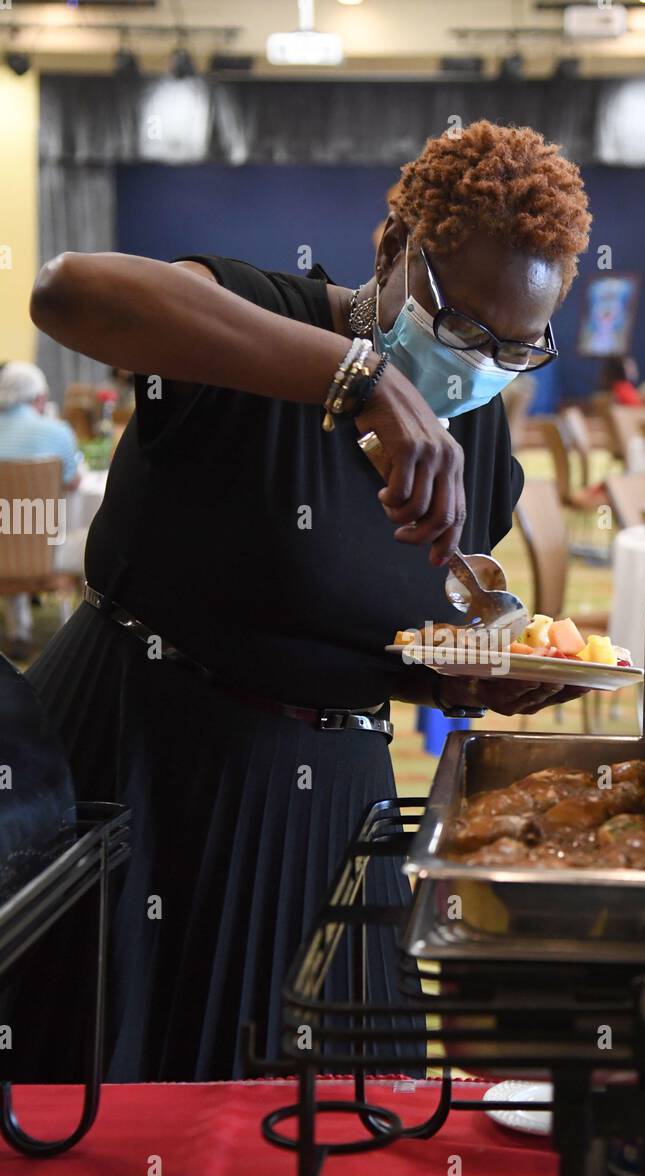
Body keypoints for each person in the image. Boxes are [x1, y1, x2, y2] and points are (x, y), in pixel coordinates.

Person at [11, 121, 592, 1083]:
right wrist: (354, 379)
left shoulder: (473, 432)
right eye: (463, 327)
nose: (480, 362)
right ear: (396, 249)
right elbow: (67, 291)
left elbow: (419, 620)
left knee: (316, 1129)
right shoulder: (254, 321)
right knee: (112, 1113)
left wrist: (477, 675)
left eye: (514, 347)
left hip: (326, 813)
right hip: (145, 766)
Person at [0, 361, 82, 661]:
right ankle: (78, 632)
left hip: (2, 545)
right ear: (39, 398)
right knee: (80, 535)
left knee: (10, 530)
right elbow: (73, 483)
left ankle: (18, 631)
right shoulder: (57, 431)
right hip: (47, 553)